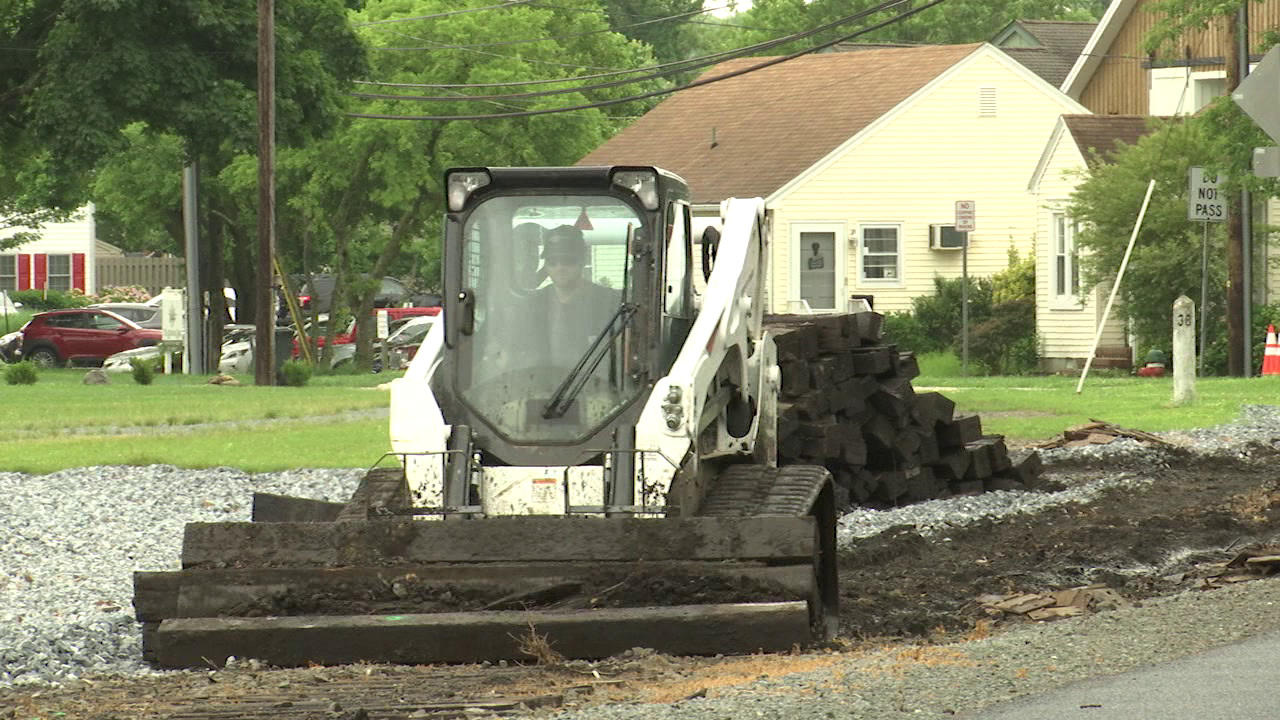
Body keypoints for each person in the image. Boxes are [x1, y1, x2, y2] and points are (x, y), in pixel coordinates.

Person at [535, 224, 621, 368]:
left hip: (598, 387)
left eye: (567, 260)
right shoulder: (533, 305)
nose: (559, 267)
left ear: (582, 261)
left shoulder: (610, 303)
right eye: (552, 261)